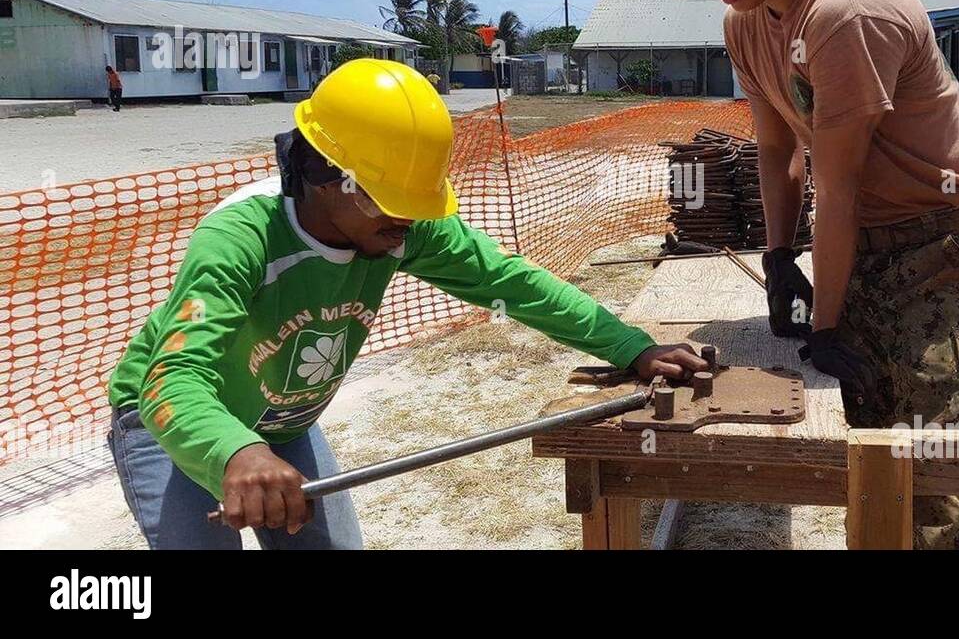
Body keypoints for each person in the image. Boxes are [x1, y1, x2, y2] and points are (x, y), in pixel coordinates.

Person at [106, 58, 706, 549]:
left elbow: (516, 286)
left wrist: (632, 347)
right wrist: (235, 451)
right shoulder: (240, 240)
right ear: (322, 174)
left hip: (284, 424)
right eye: (388, 200)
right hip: (174, 425)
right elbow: (172, 377)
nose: (406, 220)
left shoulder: (402, 226)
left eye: (414, 202)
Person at [643, 0, 959, 549]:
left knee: (945, 480)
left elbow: (837, 189)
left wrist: (829, 319)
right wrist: (781, 260)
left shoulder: (848, 13)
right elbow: (780, 150)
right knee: (873, 461)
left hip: (938, 257)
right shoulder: (746, 22)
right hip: (863, 245)